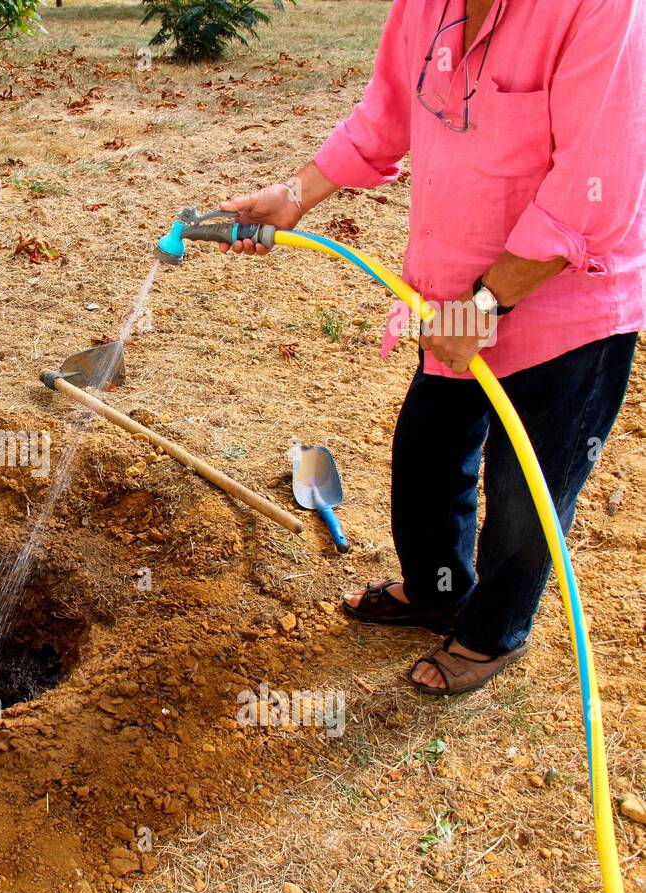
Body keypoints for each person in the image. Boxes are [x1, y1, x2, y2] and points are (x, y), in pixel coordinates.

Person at [220, 0, 643, 694]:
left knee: (525, 495)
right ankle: (439, 589)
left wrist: (489, 300)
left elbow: (593, 191)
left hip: (564, 312)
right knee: (428, 450)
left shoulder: (603, 10)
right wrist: (296, 192)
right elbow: (385, 113)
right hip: (453, 306)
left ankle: (490, 634)